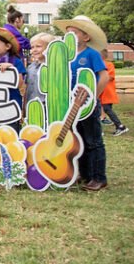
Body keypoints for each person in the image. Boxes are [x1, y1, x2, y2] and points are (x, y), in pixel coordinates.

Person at [54, 15, 110, 191]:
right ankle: (83, 173)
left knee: (93, 140)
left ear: (86, 37)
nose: (70, 35)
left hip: (86, 105)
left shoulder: (91, 54)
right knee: (76, 140)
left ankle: (98, 177)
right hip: (69, 106)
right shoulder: (64, 56)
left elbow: (103, 76)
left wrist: (93, 96)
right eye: (68, 32)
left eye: (75, 32)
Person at [99, 50, 128, 136]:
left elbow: (110, 77)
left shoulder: (108, 64)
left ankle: (120, 126)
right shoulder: (98, 64)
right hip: (101, 92)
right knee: (99, 110)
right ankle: (118, 126)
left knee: (107, 109)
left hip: (107, 92)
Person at [24, 33, 56, 105]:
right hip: (32, 106)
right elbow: (27, 89)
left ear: (49, 47)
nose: (34, 50)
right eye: (32, 47)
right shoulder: (30, 67)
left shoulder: (54, 68)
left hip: (47, 107)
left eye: (38, 46)